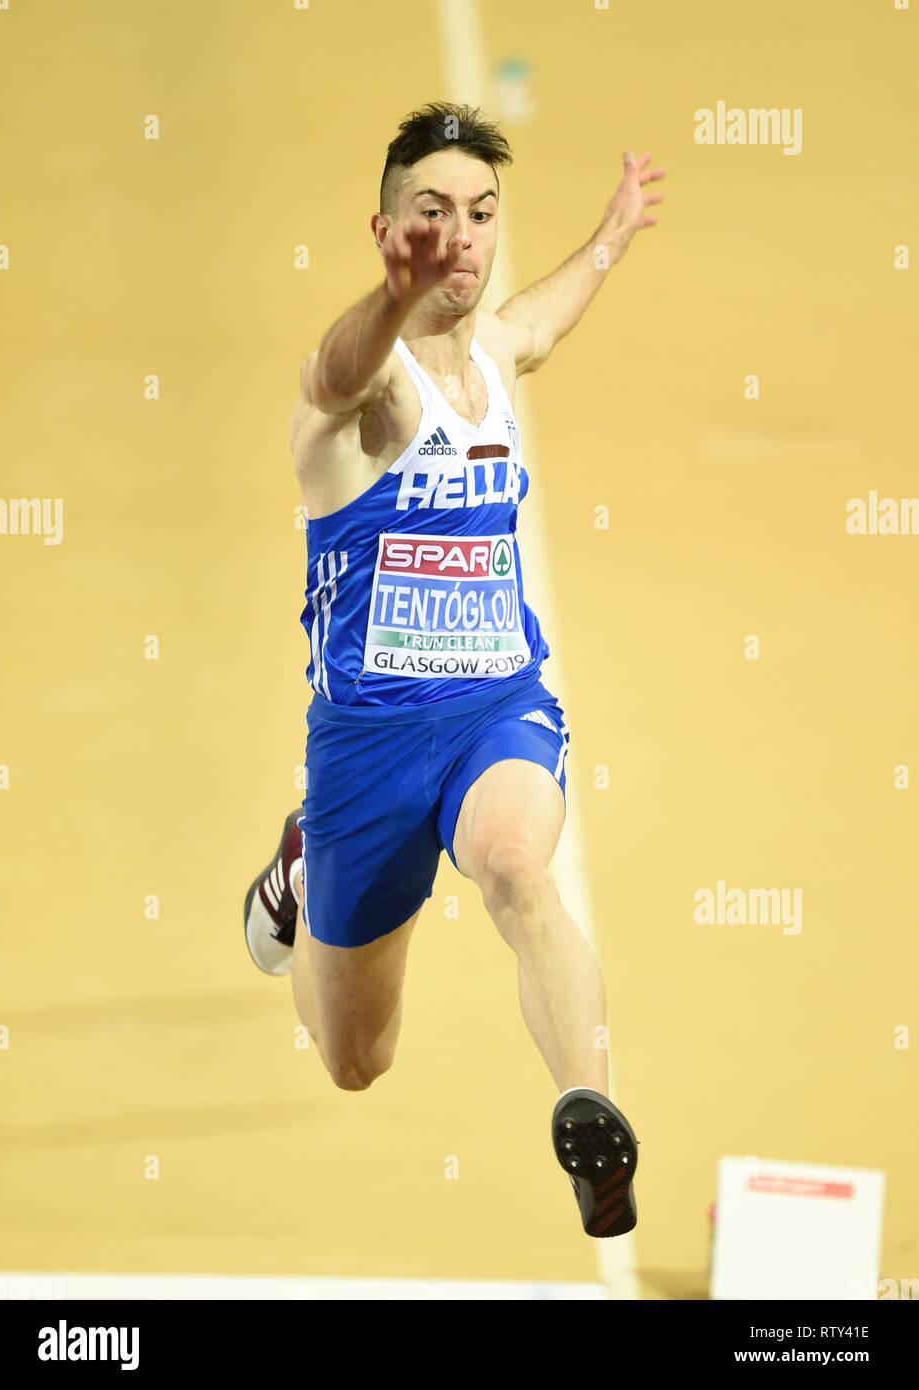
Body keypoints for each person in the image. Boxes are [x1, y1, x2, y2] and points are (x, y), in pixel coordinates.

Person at [244, 102, 664, 1238]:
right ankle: (299, 874)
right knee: (354, 1058)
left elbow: (545, 319)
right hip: (368, 747)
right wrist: (388, 300)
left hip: (495, 710)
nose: (461, 238)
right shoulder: (362, 401)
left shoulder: (492, 354)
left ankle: (591, 1116)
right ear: (385, 227)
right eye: (432, 214)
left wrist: (614, 234)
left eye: (480, 215)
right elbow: (334, 379)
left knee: (521, 871)